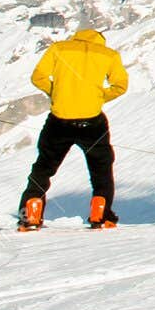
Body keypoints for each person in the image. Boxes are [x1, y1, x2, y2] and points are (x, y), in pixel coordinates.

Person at [17, 28, 129, 230]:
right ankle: (101, 214)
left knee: (44, 167)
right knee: (101, 169)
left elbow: (38, 77)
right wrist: (98, 97)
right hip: (92, 122)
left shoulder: (59, 48)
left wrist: (57, 92)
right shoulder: (109, 55)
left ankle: (31, 214)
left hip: (59, 120)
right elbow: (120, 86)